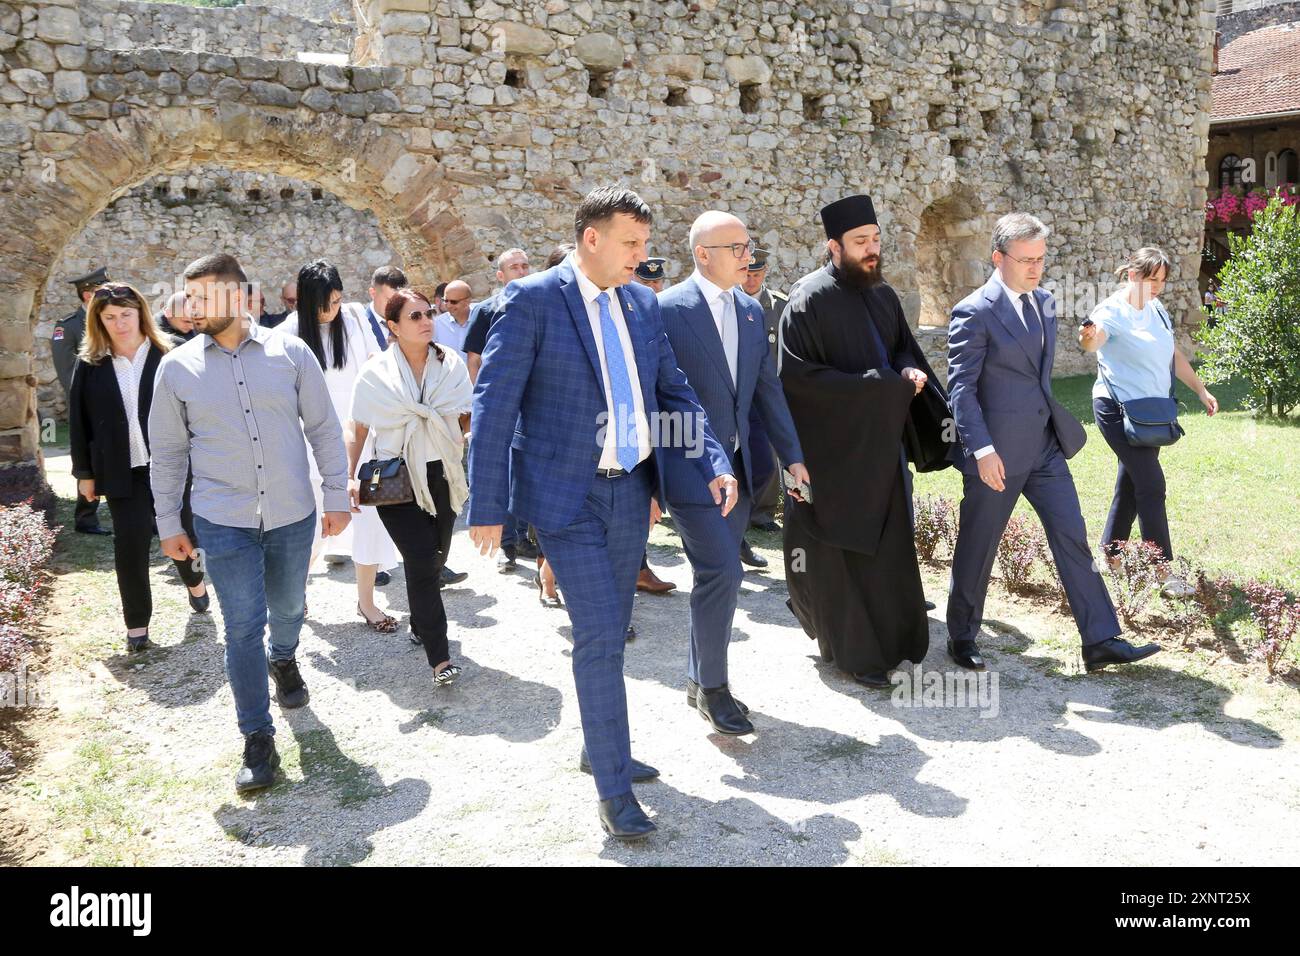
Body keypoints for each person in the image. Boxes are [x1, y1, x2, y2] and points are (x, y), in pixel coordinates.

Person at [468, 185, 734, 840]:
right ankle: (614, 792)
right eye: (632, 244)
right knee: (595, 632)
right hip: (566, 498)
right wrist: (487, 506)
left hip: (629, 494)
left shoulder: (642, 306)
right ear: (592, 239)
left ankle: (599, 744)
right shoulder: (531, 302)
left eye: (646, 244)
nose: (643, 258)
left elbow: (676, 393)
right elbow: (494, 407)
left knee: (613, 631)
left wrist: (714, 460)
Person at [150, 253, 351, 793]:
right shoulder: (177, 368)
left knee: (289, 607)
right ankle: (257, 738)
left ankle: (283, 658)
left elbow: (325, 430)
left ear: (238, 297)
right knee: (241, 626)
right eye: (187, 297)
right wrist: (168, 520)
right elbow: (167, 453)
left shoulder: (292, 352)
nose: (190, 307)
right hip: (223, 519)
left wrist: (336, 495)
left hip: (291, 512)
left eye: (201, 296)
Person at [946, 213, 1161, 674]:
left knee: (1073, 538)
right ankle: (962, 636)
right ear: (997, 257)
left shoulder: (1044, 302)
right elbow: (961, 389)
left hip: (1045, 447)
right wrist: (981, 451)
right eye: (1026, 260)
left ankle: (1101, 639)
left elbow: (1037, 377)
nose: (1036, 269)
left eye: (1041, 259)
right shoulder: (973, 310)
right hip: (995, 456)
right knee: (979, 544)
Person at [780, 194, 952, 687]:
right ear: (833, 246)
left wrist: (906, 370)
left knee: (889, 547)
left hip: (883, 450)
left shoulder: (883, 295)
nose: (872, 250)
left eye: (875, 239)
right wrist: (876, 387)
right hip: (833, 455)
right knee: (840, 555)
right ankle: (855, 655)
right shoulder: (807, 300)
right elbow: (800, 380)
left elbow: (901, 348)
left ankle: (895, 642)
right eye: (861, 242)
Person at [657, 211, 807, 734]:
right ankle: (715, 691)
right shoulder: (665, 309)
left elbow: (767, 390)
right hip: (690, 470)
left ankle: (699, 680)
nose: (748, 256)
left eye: (748, 247)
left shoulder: (750, 311)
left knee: (714, 575)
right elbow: (659, 398)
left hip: (743, 472)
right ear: (703, 254)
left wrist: (792, 457)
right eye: (737, 247)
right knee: (723, 570)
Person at [68, 283, 209, 652]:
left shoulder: (171, 354)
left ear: (140, 314)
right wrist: (84, 474)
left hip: (172, 467)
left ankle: (196, 585)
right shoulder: (90, 363)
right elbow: (78, 422)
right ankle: (137, 625)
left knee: (182, 536)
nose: (119, 323)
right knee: (128, 547)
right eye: (109, 317)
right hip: (120, 471)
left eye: (126, 315)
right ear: (98, 320)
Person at [351, 289, 473, 685]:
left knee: (437, 556)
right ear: (393, 326)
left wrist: (456, 436)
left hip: (442, 473)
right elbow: (359, 427)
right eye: (415, 316)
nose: (426, 321)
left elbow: (465, 411)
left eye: (428, 313)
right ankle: (440, 658)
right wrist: (349, 479)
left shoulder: (449, 362)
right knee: (421, 560)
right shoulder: (376, 372)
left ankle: (421, 621)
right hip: (394, 477)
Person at [1080, 246, 1218, 597]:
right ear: (1132, 275)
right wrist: (1087, 337)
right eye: (1149, 279)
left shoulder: (1156, 310)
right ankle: (1163, 572)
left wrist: (1201, 390)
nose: (1156, 287)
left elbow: (1172, 354)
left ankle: (1110, 555)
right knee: (1152, 484)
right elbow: (1095, 340)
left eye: (1161, 280)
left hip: (1151, 413)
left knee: (1132, 483)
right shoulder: (1111, 310)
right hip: (1117, 410)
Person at [278, 260, 401, 631]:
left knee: (373, 520)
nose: (330, 311)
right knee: (311, 524)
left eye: (335, 300)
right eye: (322, 304)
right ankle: (295, 595)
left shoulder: (355, 318)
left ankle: (367, 602)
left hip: (366, 437)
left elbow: (373, 366)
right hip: (311, 445)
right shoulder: (287, 334)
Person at [463, 249, 536, 572]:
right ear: (500, 275)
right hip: (503, 402)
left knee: (527, 471)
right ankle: (507, 543)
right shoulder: (487, 310)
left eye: (524, 265)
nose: (521, 270)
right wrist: (488, 401)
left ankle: (522, 535)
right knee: (504, 469)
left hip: (532, 405)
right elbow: (475, 360)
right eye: (513, 267)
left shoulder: (539, 305)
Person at [54, 266, 112, 536]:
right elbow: (67, 372)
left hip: (114, 402)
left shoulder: (110, 320)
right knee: (88, 460)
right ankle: (86, 518)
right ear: (88, 295)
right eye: (103, 290)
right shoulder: (68, 327)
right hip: (87, 408)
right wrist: (87, 404)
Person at [740, 248, 787, 536]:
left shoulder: (780, 306)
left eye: (757, 274)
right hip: (738, 389)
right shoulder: (729, 302)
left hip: (769, 391)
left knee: (769, 455)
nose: (752, 280)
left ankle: (763, 512)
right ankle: (737, 509)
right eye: (747, 273)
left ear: (765, 272)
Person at [433, 279, 473, 361]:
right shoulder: (437, 324)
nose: (448, 305)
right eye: (446, 301)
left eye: (453, 302)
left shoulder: (481, 320)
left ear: (467, 301)